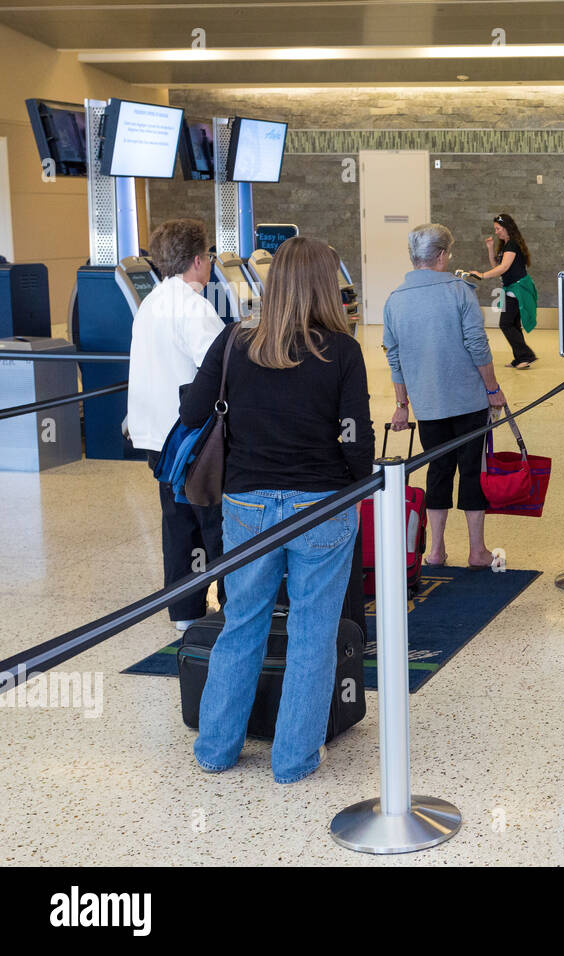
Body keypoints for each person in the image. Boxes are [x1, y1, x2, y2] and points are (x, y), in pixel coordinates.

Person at [180, 236, 374, 784]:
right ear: (325, 285)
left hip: (245, 505)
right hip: (321, 507)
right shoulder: (342, 350)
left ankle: (217, 749)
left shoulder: (235, 339)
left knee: (242, 623)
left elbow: (194, 411)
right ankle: (294, 759)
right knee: (314, 632)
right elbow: (356, 446)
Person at [386, 223, 507, 569]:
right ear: (441, 256)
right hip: (468, 400)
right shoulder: (460, 291)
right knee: (472, 471)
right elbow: (476, 345)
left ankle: (436, 550)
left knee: (438, 471)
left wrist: (401, 405)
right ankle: (477, 551)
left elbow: (394, 357)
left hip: (427, 404)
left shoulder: (395, 300)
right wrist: (493, 388)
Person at [126, 218, 226, 631]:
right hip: (190, 439)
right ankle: (231, 602)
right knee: (213, 521)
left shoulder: (151, 302)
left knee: (177, 523)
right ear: (199, 260)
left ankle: (184, 611)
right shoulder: (193, 306)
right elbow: (220, 367)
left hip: (155, 434)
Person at [469, 213, 537, 369]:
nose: (496, 232)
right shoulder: (506, 245)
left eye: (498, 228)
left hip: (518, 289)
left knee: (505, 323)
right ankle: (521, 358)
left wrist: (482, 275)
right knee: (513, 324)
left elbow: (504, 267)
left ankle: (526, 355)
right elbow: (497, 266)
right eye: (495, 229)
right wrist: (490, 248)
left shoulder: (512, 245)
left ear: (507, 228)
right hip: (510, 289)